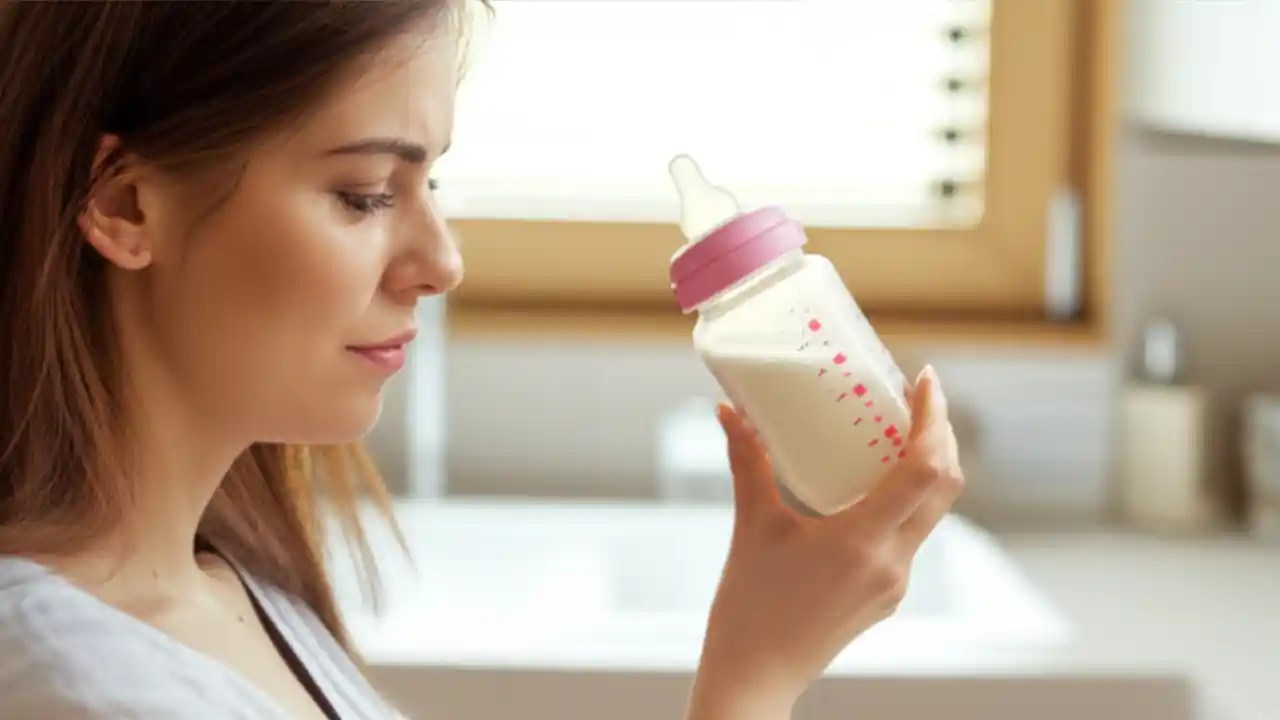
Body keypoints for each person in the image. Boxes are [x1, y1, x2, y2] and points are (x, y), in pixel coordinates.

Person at [0, 2, 965, 719]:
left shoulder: (229, 584)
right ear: (125, 206)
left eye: (432, 181)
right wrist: (755, 678)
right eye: (367, 194)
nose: (442, 263)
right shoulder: (76, 678)